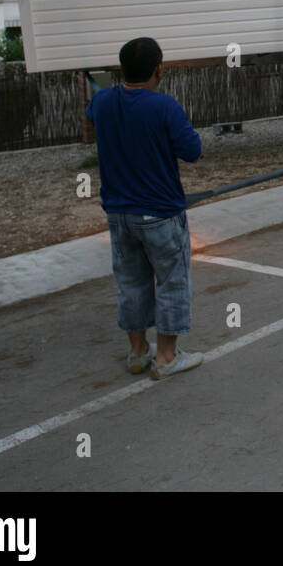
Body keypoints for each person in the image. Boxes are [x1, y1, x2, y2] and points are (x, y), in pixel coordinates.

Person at [85, 37, 204, 380]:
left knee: (131, 283)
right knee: (171, 282)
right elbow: (192, 150)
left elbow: (93, 115)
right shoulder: (164, 107)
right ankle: (166, 357)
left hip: (118, 213)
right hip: (160, 213)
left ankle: (138, 352)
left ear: (121, 70)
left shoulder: (103, 102)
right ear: (159, 70)